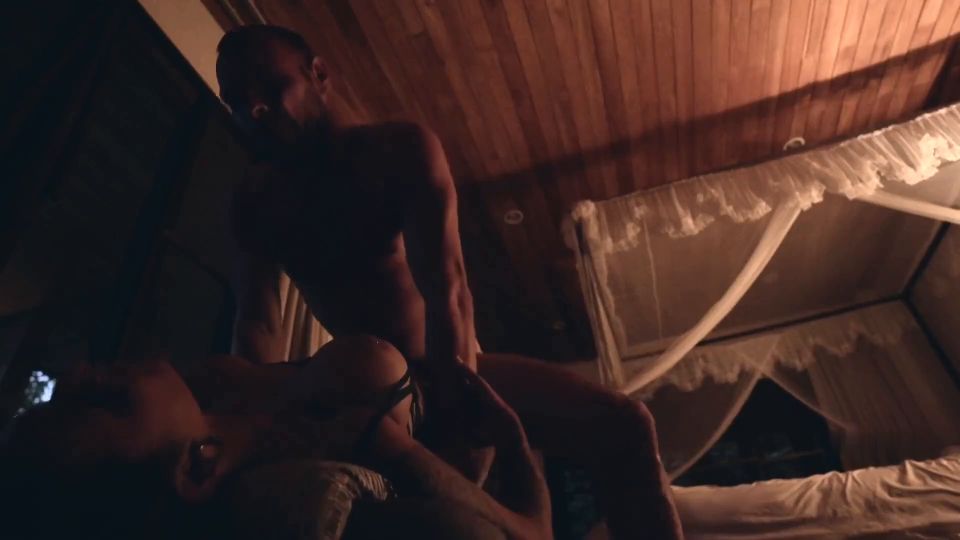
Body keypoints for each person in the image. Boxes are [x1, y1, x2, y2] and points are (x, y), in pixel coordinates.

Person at [217, 25, 682, 539]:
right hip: (360, 383)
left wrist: (457, 418)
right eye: (235, 100)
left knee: (627, 425)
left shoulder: (398, 151)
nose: (253, 108)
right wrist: (254, 427)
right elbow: (257, 326)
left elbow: (449, 293)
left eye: (269, 84)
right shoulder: (255, 201)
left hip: (443, 364)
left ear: (319, 74)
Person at [0, 336, 551, 540]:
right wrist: (516, 446)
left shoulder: (211, 384)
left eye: (64, 391)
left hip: (444, 373)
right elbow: (526, 536)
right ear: (194, 472)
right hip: (470, 406)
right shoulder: (322, 462)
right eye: (103, 404)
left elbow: (259, 333)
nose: (81, 374)